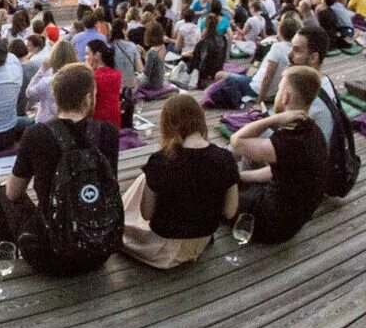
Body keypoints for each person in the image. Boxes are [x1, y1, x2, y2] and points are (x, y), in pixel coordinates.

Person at [0, 63, 119, 277]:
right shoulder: (108, 132)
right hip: (99, 250)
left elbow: (13, 193)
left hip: (49, 256)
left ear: (56, 98)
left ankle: (7, 262)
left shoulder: (36, 135)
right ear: (88, 98)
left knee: (2, 189)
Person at [121, 94, 239, 269]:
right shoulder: (226, 159)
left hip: (163, 249)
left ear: (167, 124)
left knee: (124, 224)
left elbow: (147, 214)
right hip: (201, 241)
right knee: (146, 179)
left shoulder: (160, 161)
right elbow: (230, 212)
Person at [228, 66, 329, 245]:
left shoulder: (287, 142)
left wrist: (272, 119)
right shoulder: (313, 131)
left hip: (271, 226)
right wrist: (240, 177)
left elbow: (236, 140)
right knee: (237, 177)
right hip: (293, 221)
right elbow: (279, 171)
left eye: (280, 88)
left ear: (285, 96)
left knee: (217, 187)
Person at [25, 39, 77, 124]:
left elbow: (29, 93)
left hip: (47, 124)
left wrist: (41, 70)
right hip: (71, 122)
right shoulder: (79, 78)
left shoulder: (48, 81)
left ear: (53, 56)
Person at [84, 39, 123, 127]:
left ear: (97, 55)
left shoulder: (91, 76)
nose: (85, 57)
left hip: (97, 121)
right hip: (115, 119)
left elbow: (89, 105)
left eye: (87, 54)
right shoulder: (117, 74)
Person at [140, 21, 168, 92]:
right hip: (160, 81)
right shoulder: (163, 47)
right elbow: (156, 64)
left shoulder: (152, 52)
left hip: (152, 84)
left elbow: (146, 73)